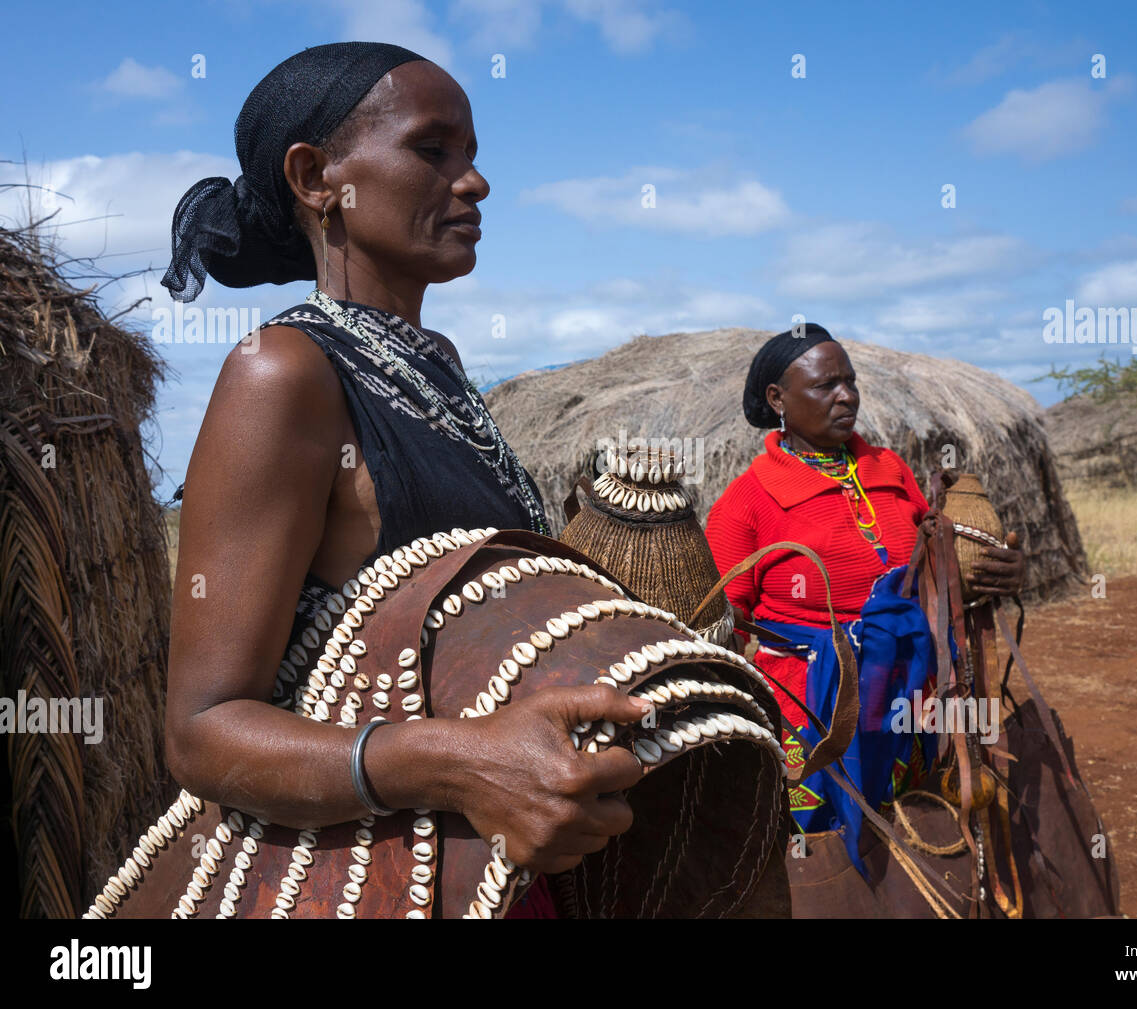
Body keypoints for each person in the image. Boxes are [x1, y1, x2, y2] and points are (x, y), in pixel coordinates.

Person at [161, 43, 651, 916]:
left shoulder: (441, 368)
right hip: (374, 881)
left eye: (472, 155)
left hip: (496, 865)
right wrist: (461, 760)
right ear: (316, 178)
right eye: (433, 151)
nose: (475, 183)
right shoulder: (282, 371)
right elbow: (203, 732)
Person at [704, 325, 1024, 874]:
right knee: (818, 855)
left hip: (918, 685)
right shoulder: (748, 501)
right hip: (812, 708)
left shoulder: (890, 471)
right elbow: (722, 622)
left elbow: (934, 563)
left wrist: (998, 570)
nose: (846, 395)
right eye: (826, 385)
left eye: (850, 381)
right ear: (778, 399)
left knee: (925, 825)